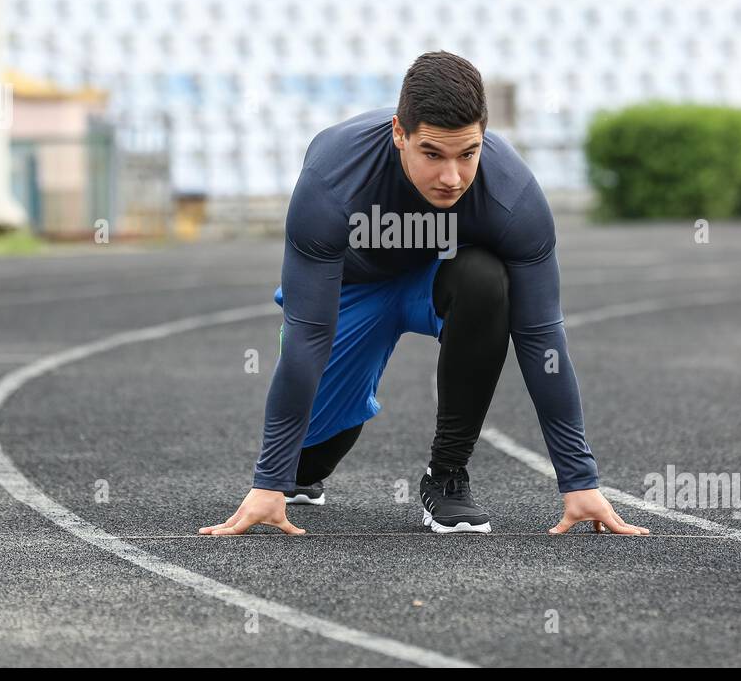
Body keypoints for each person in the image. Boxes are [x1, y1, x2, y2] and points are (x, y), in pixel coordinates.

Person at [200, 51, 650, 537]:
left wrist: (578, 481)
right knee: (305, 465)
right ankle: (303, 470)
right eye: (433, 154)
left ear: (484, 135)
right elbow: (309, 336)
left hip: (433, 283)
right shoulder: (333, 178)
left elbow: (543, 339)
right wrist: (269, 481)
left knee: (485, 279)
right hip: (351, 291)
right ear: (400, 134)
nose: (452, 177)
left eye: (468, 153)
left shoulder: (513, 195)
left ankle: (447, 476)